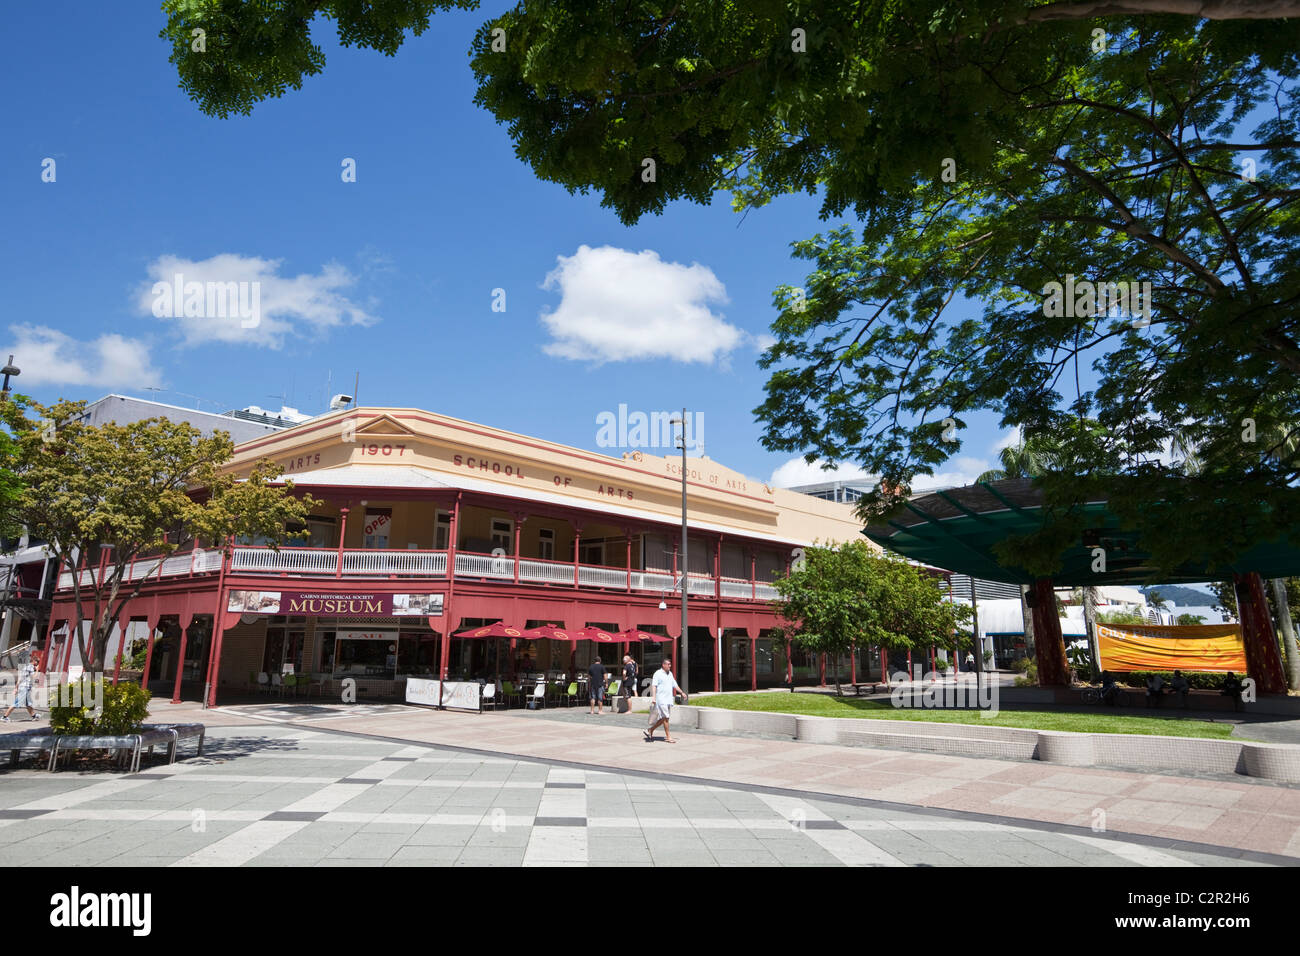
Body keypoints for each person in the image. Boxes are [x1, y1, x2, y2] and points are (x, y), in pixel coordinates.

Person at [644, 658, 685, 743]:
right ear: (663, 665)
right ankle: (668, 737)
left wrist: (682, 692)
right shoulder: (657, 673)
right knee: (666, 718)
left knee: (664, 718)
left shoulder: (670, 674)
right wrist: (654, 697)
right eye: (668, 664)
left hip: (668, 699)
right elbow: (654, 686)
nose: (670, 666)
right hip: (661, 699)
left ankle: (650, 730)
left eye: (670, 664)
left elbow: (675, 685)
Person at [2, 653, 41, 723]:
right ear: (34, 661)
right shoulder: (30, 667)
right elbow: (34, 677)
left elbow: (19, 679)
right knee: (16, 703)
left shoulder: (25, 667)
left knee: (28, 703)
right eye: (37, 662)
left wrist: (16, 688)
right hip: (25, 688)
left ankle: (34, 716)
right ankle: (4, 717)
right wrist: (37, 670)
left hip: (23, 687)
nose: (38, 664)